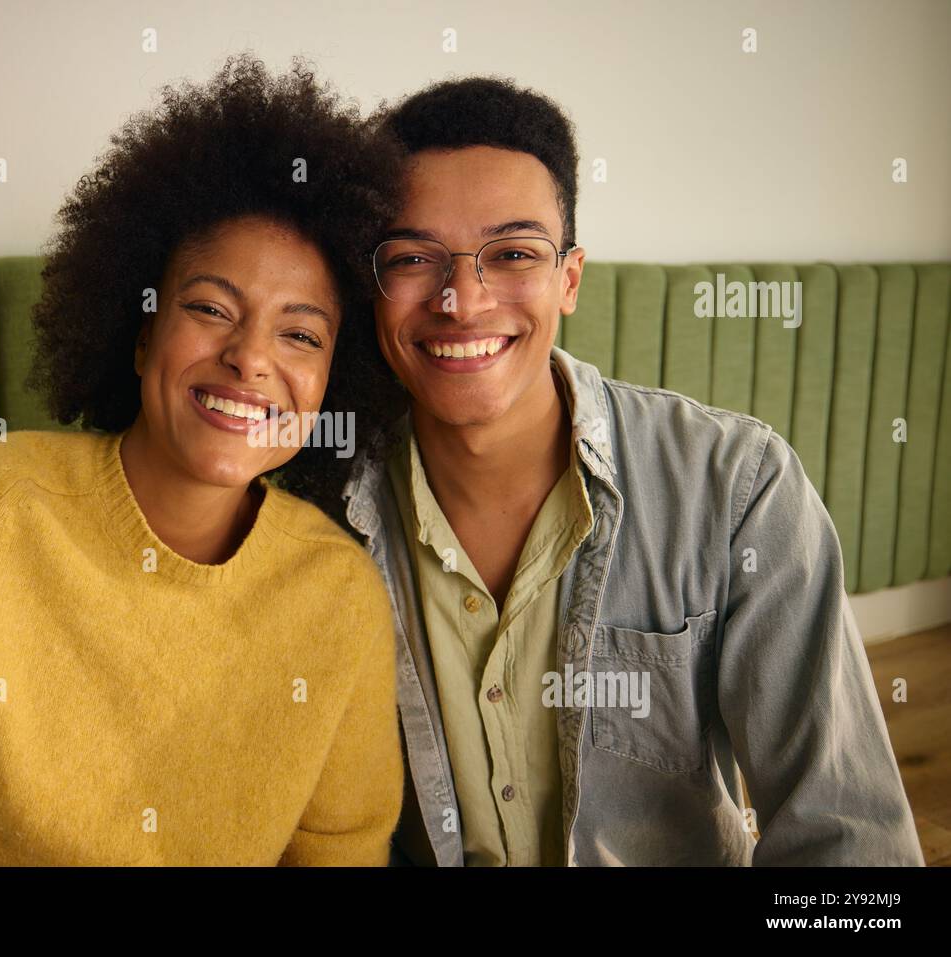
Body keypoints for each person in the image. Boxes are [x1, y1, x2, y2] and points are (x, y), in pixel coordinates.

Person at [0, 55, 406, 866]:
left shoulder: (339, 599)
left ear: (333, 381)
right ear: (140, 334)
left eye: (300, 334)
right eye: (210, 308)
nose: (250, 358)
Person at [338, 76, 924, 866]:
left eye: (513, 254)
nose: (461, 299)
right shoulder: (324, 508)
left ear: (570, 280)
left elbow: (851, 845)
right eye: (414, 257)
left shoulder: (739, 490)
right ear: (373, 287)